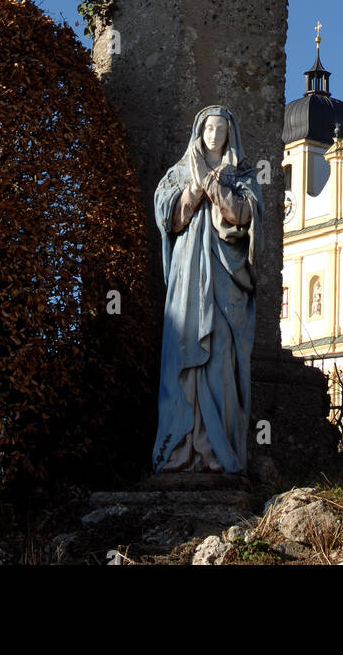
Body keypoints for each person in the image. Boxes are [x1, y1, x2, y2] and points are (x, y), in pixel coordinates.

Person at [153, 105, 262, 474]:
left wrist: (216, 188)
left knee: (221, 356)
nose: (214, 134)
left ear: (230, 133)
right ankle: (179, 448)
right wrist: (196, 188)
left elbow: (247, 215)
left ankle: (217, 449)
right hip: (188, 278)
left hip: (224, 277)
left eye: (221, 128)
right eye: (208, 128)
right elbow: (168, 214)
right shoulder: (180, 171)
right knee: (183, 352)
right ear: (199, 133)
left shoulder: (243, 173)